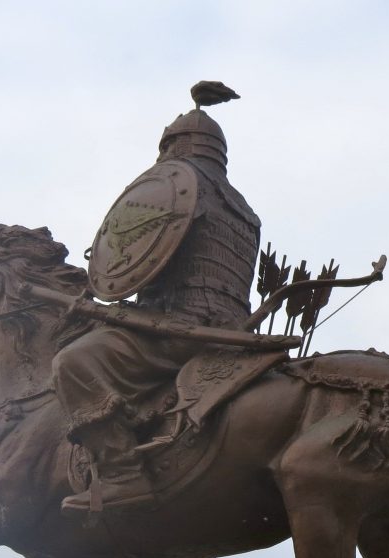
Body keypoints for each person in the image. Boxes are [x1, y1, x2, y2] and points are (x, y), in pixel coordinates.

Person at [52, 83, 261, 512]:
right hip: (232, 332)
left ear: (174, 146)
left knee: (74, 361)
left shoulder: (181, 183)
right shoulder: (245, 210)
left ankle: (121, 473)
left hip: (177, 328)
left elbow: (145, 265)